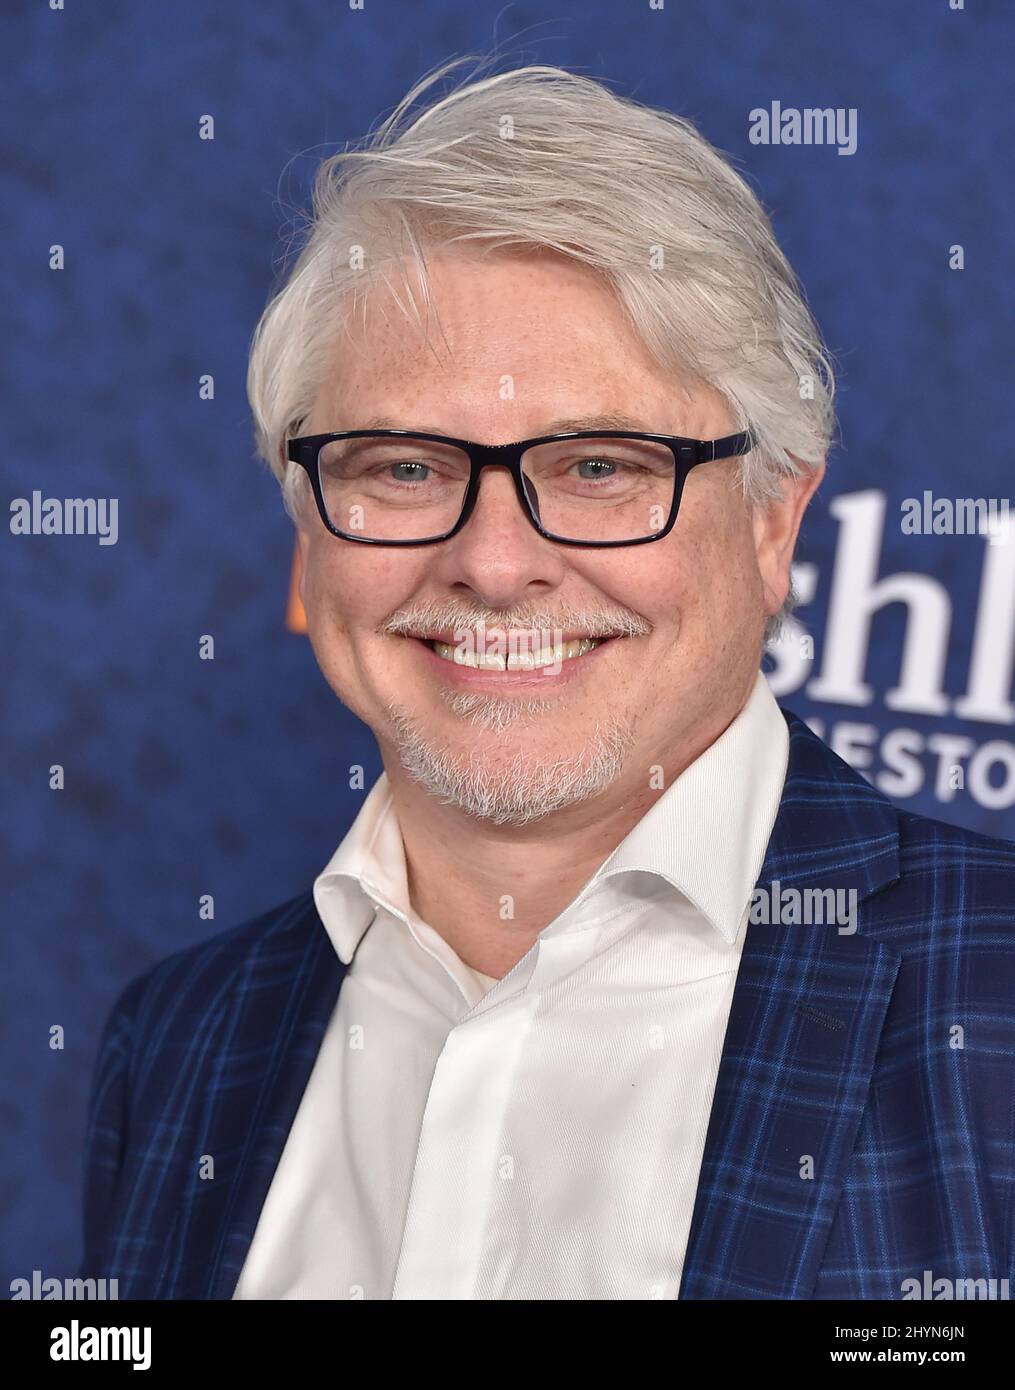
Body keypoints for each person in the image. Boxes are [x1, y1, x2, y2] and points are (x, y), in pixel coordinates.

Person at [79, 60, 1015, 1300]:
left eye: (598, 467)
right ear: (307, 525)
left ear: (773, 524)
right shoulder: (181, 1042)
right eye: (405, 468)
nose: (493, 562)